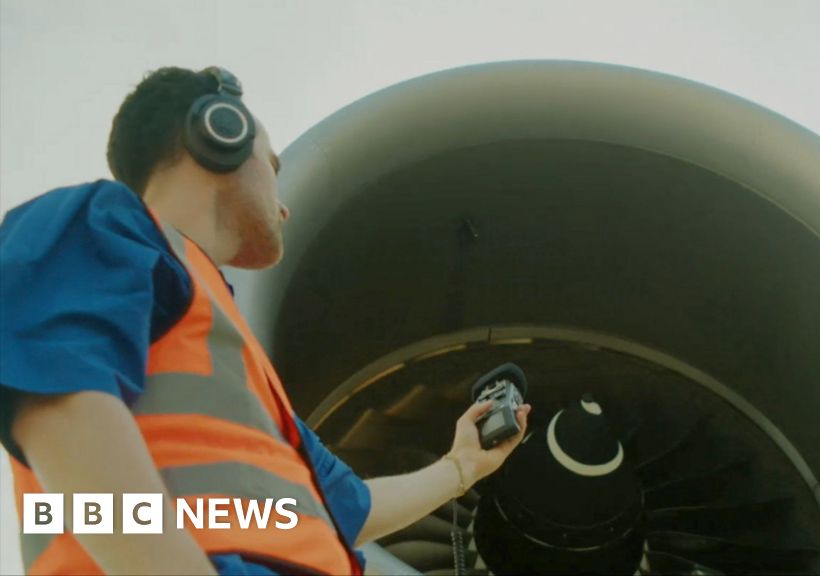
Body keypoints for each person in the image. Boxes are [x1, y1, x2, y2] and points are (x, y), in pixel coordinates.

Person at [0, 66, 531, 575]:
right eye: (272, 168)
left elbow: (351, 512)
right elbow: (62, 414)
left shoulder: (241, 375)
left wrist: (460, 469)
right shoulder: (102, 225)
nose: (284, 207)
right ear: (219, 134)